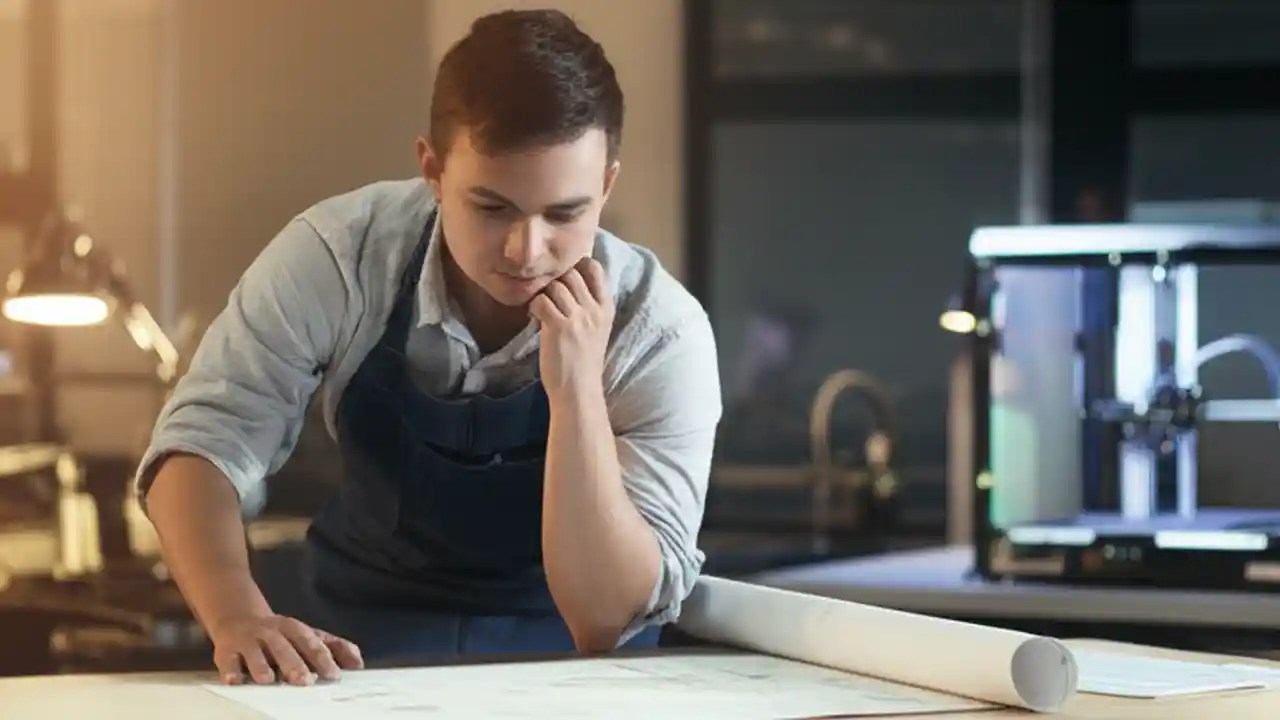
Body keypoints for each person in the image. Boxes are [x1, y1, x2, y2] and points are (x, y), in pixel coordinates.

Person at [134, 9, 721, 687]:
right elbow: (203, 444)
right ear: (433, 170)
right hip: (354, 656)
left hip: (570, 673)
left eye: (564, 214)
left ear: (606, 187)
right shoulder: (339, 258)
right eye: (492, 207)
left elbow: (604, 618)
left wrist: (578, 389)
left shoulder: (659, 329)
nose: (527, 253)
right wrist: (237, 616)